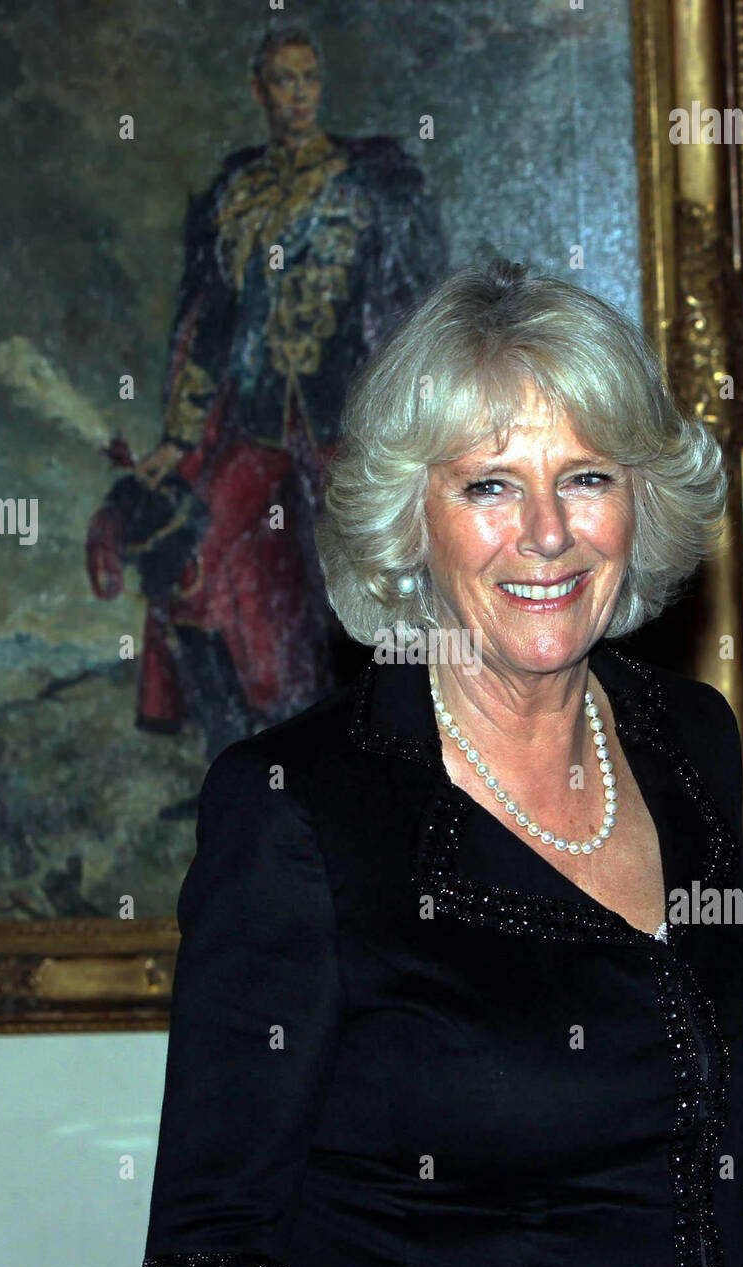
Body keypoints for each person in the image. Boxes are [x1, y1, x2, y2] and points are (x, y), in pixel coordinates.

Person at [142, 259, 743, 1267]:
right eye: (489, 484)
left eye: (586, 476)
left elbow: (739, 1137)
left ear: (641, 502)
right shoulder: (296, 805)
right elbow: (213, 1255)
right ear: (413, 519)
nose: (546, 534)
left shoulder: (686, 739)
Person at [86, 24, 446, 781]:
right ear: (259, 92)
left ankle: (370, 779)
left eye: (308, 78)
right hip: (250, 425)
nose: (298, 95)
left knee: (357, 597)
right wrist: (178, 441)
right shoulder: (236, 194)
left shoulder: (367, 188)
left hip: (340, 431)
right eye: (282, 81)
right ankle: (239, 776)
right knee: (190, 570)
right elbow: (209, 327)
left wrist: (409, 427)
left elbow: (399, 315)